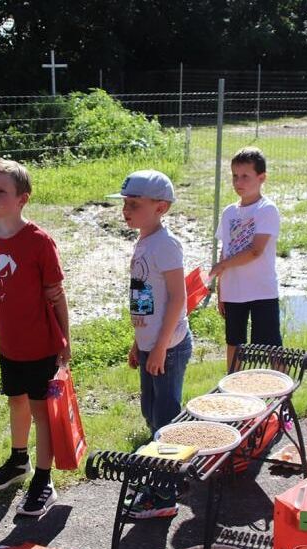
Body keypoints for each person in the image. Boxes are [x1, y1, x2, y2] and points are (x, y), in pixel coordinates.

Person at [0, 159, 71, 518]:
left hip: (41, 346)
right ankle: (19, 463)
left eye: (2, 191)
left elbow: (55, 294)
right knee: (15, 403)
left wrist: (65, 342)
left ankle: (44, 481)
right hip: (10, 345)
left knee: (41, 413)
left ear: (22, 199)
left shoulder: (39, 242)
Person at [109, 170, 191, 519]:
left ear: (161, 207)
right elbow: (143, 295)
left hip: (168, 347)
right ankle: (166, 475)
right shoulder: (144, 241)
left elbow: (177, 298)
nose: (126, 210)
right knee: (150, 413)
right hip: (150, 345)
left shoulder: (165, 245)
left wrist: (158, 347)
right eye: (125, 204)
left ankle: (163, 496)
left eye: (134, 205)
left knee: (165, 419)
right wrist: (138, 341)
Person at [209, 146, 281, 372]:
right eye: (235, 176)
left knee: (270, 345)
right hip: (233, 291)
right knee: (234, 343)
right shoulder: (229, 212)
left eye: (245, 177)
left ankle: (282, 393)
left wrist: (222, 266)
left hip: (262, 290)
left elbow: (255, 250)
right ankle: (233, 389)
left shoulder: (266, 209)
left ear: (262, 178)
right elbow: (226, 249)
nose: (238, 182)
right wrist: (222, 289)